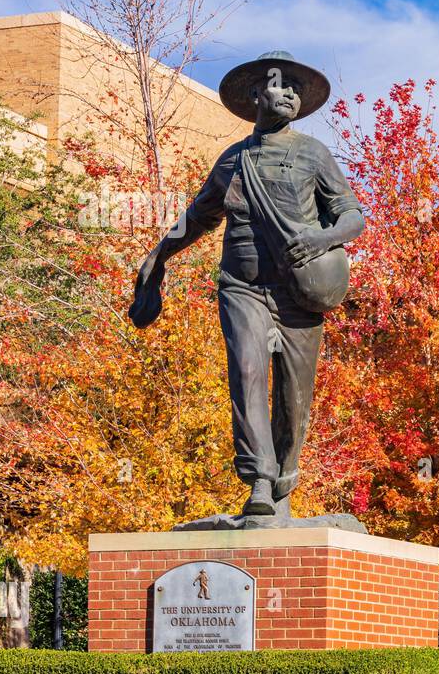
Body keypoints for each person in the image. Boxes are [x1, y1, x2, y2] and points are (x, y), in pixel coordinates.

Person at [129, 51, 364, 521]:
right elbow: (197, 218)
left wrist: (321, 237)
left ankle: (282, 481)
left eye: (298, 89)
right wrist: (157, 256)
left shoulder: (313, 154)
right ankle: (258, 474)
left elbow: (352, 216)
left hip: (299, 293)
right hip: (242, 287)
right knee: (248, 374)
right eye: (282, 85)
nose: (291, 95)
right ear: (257, 93)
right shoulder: (232, 161)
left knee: (294, 400)